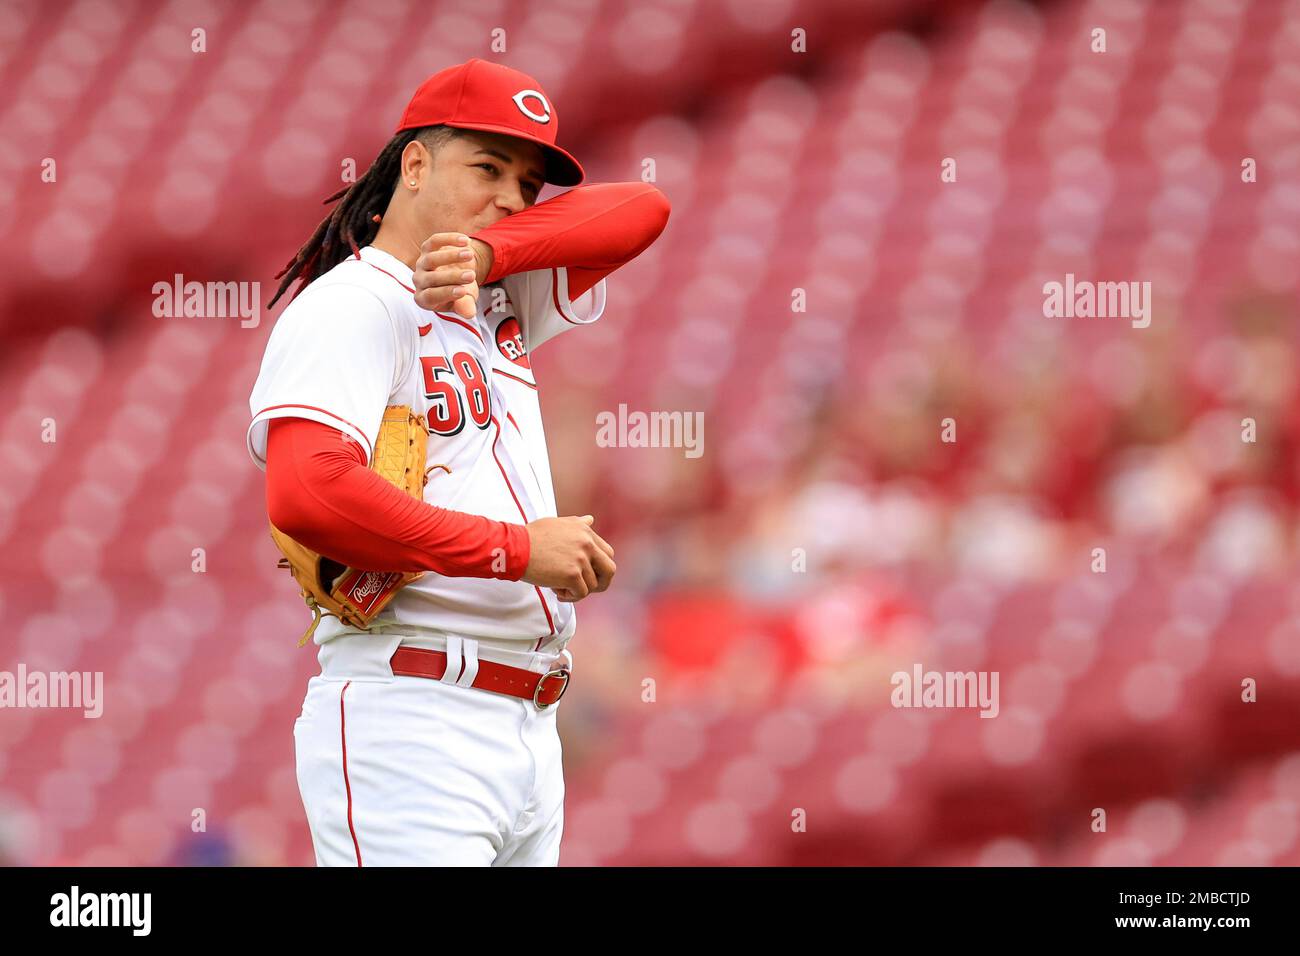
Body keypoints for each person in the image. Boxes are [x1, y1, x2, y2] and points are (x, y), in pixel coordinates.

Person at [245, 58, 670, 865]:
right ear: (413, 164)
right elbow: (306, 493)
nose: (512, 196)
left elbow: (642, 209)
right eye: (487, 166)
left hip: (528, 723)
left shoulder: (501, 293)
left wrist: (488, 254)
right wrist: (516, 550)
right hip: (414, 716)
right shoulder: (350, 305)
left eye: (527, 182)